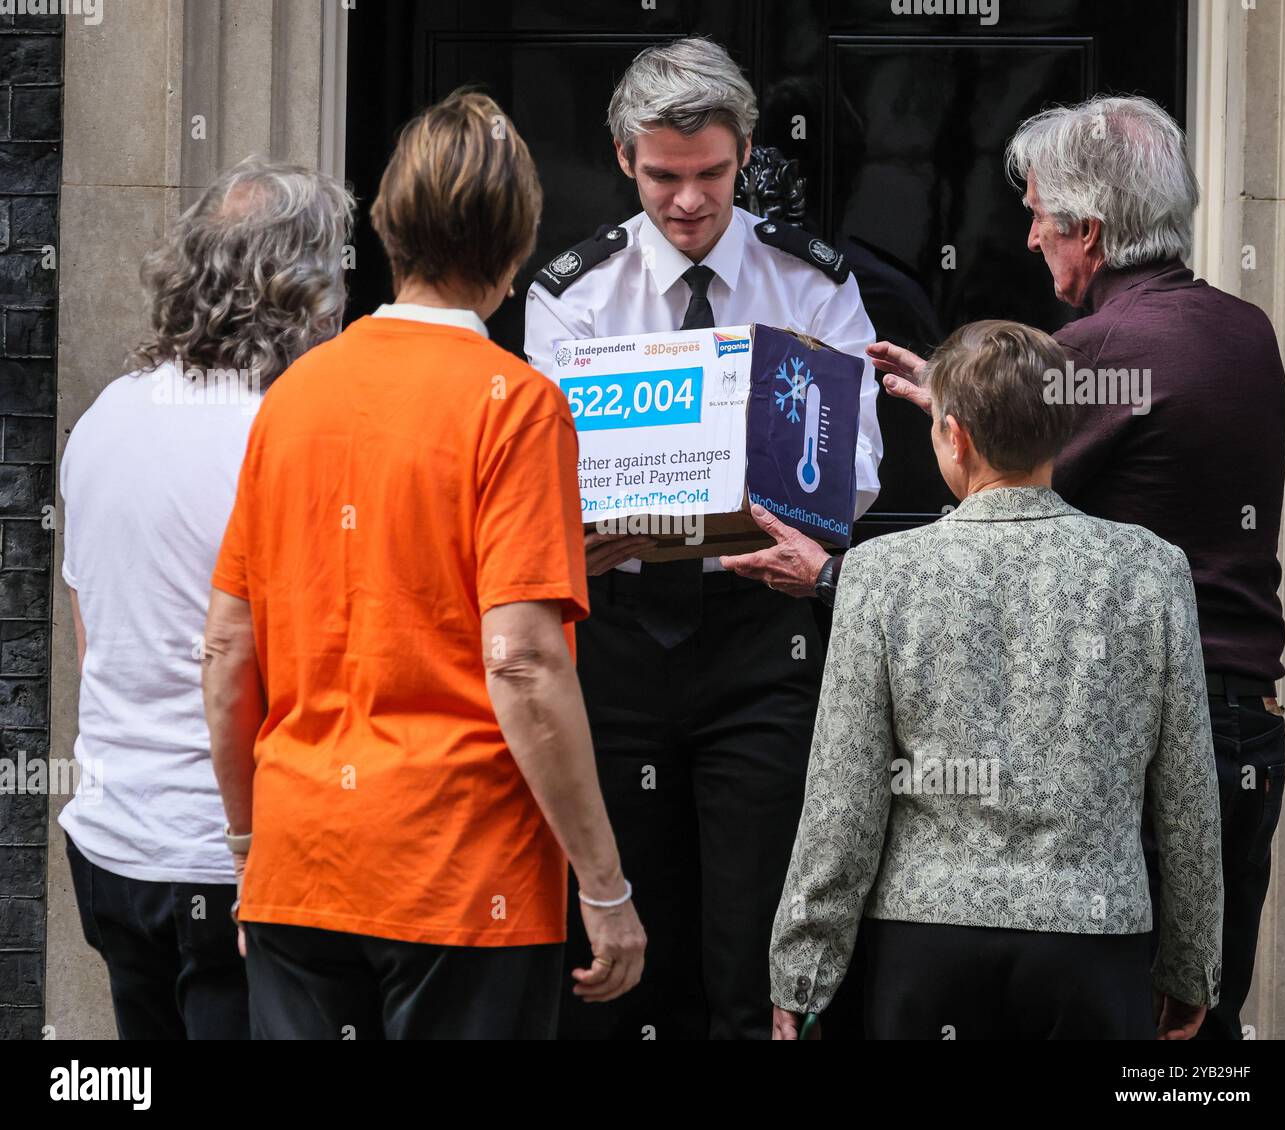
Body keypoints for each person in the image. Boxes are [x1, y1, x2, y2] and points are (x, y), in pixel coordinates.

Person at [202, 89, 644, 1041]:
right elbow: (523, 662)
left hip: (301, 863)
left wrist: (249, 851)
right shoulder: (517, 406)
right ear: (517, 245)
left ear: (388, 229)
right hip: (462, 874)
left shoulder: (292, 397)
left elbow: (227, 651)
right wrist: (604, 887)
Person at [871, 94, 1285, 1040]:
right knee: (1200, 1027)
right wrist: (962, 392)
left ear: (1087, 230)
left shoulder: (1097, 350)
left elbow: (990, 530)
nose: (1026, 239)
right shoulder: (1243, 328)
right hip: (1247, 730)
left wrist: (829, 573)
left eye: (1036, 215)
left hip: (1156, 736)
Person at [524, 37, 884, 1040]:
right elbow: (546, 475)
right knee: (617, 939)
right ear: (622, 156)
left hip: (759, 629)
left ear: (747, 151)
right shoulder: (571, 292)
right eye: (663, 176)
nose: (688, 202)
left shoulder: (809, 282)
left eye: (712, 175)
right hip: (619, 631)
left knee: (754, 935)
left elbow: (851, 475)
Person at [771, 320, 1224, 1041]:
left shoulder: (882, 573)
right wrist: (1191, 966)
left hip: (927, 940)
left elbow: (843, 796)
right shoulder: (1150, 569)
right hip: (1093, 937)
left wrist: (803, 970)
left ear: (955, 435)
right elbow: (1189, 796)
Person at [58, 157, 355, 1039]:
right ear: (302, 292)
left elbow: (93, 643)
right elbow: (313, 663)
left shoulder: (106, 415)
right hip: (231, 857)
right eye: (337, 273)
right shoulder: (287, 434)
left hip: (113, 844)